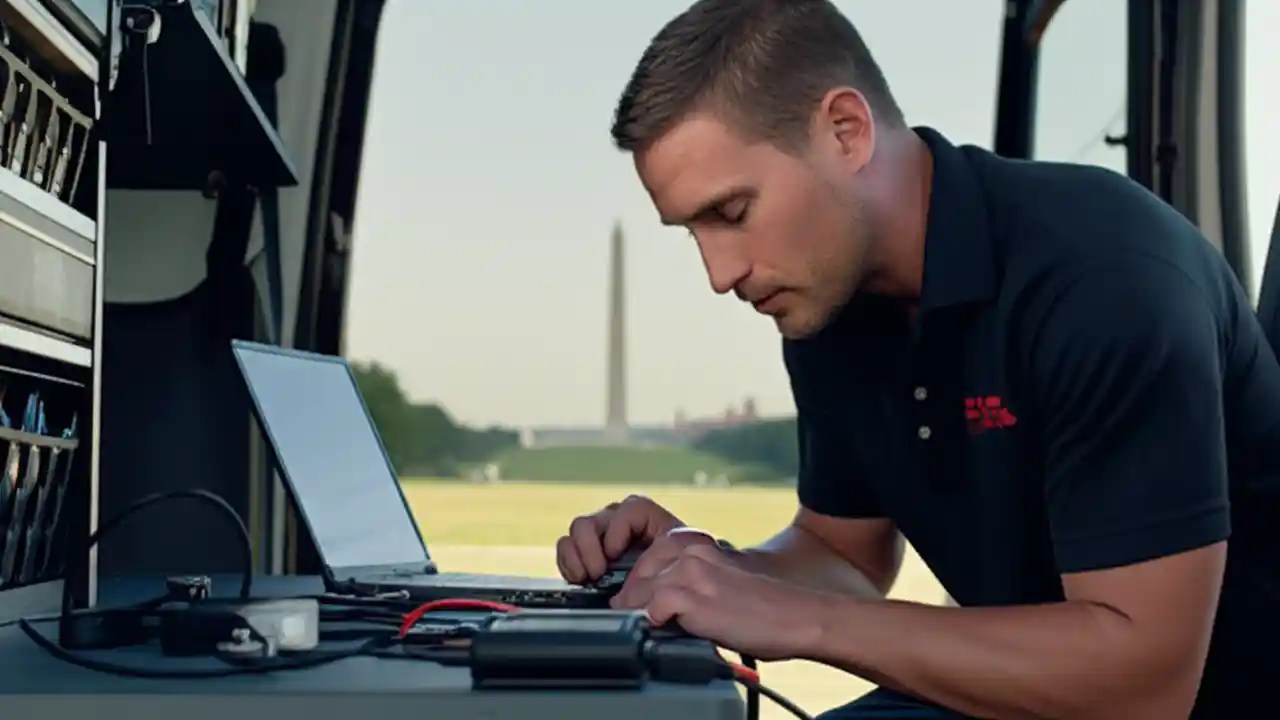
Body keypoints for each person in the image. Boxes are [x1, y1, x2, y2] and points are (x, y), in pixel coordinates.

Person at [553, 1, 1280, 718]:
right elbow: (846, 557)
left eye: (732, 213)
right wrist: (710, 570)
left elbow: (1143, 692)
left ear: (846, 130)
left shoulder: (1105, 281)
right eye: (692, 234)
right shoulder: (827, 304)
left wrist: (798, 620)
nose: (720, 273)